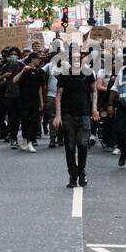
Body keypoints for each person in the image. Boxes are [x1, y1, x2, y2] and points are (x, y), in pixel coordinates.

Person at [54, 44, 98, 188]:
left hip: (84, 114)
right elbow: (58, 95)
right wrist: (58, 115)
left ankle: (81, 172)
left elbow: (94, 91)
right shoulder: (64, 74)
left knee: (82, 144)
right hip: (67, 115)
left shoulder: (88, 73)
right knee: (70, 147)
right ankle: (73, 176)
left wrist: (94, 109)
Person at [14, 52, 47, 152]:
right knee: (24, 121)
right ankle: (24, 139)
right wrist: (23, 71)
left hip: (35, 100)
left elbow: (40, 88)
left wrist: (41, 101)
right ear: (32, 59)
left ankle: (30, 142)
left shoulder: (41, 72)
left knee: (34, 121)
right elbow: (14, 80)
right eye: (38, 58)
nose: (39, 60)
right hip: (24, 100)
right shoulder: (24, 69)